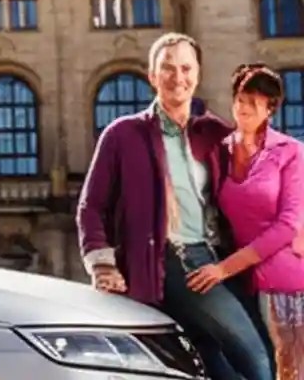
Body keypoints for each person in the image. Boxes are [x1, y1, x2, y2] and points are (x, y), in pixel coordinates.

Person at [77, 32, 272, 380]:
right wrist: (102, 265)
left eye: (185, 67)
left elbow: (256, 188)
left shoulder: (215, 133)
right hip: (177, 260)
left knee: (217, 367)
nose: (177, 77)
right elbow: (92, 206)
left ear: (197, 73)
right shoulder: (123, 134)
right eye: (167, 68)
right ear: (152, 76)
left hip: (225, 263)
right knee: (256, 357)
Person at [188, 64, 304, 380]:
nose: (245, 107)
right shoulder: (221, 150)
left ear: (270, 109)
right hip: (244, 282)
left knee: (289, 373)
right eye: (241, 98)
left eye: (256, 101)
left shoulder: (291, 152)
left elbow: (287, 225)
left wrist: (224, 269)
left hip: (288, 283)